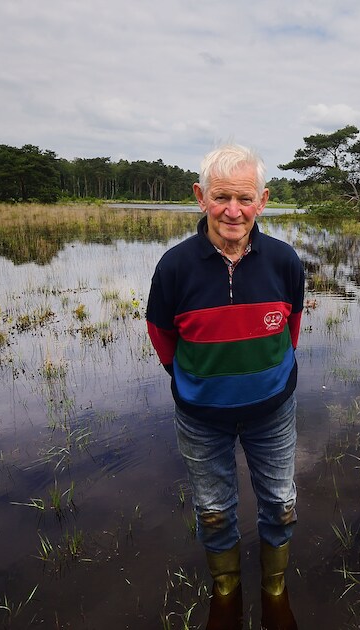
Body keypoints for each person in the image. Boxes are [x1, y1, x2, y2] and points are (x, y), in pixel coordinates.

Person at [146, 144, 304, 630]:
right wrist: (194, 383)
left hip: (272, 413)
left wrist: (271, 375)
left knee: (280, 502)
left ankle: (274, 592)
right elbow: (161, 334)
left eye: (244, 198)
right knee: (214, 511)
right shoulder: (174, 266)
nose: (232, 211)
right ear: (200, 197)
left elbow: (291, 328)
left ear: (263, 201)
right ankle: (226, 593)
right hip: (200, 418)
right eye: (221, 197)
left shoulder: (284, 261)